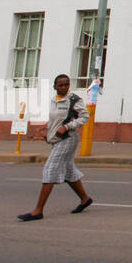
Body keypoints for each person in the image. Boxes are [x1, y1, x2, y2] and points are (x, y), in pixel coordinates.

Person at [17, 74, 92, 220]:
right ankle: (85, 199)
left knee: (50, 169)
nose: (64, 87)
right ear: (55, 86)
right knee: (68, 170)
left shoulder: (74, 100)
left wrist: (67, 127)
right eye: (60, 85)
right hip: (57, 139)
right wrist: (46, 132)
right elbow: (55, 119)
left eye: (66, 84)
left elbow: (84, 117)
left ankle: (38, 210)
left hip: (68, 139)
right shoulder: (54, 100)